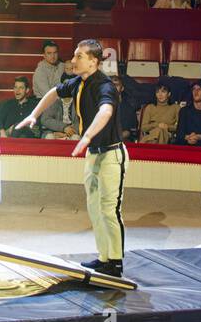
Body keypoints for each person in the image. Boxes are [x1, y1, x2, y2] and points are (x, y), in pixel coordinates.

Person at [14, 39, 127, 277]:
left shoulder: (105, 86)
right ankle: (103, 257)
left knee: (109, 209)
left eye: (79, 57)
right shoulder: (79, 81)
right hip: (93, 154)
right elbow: (54, 92)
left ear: (93, 61)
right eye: (74, 56)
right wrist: (35, 114)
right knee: (94, 208)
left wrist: (86, 136)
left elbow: (105, 111)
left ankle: (115, 262)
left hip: (110, 153)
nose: (73, 61)